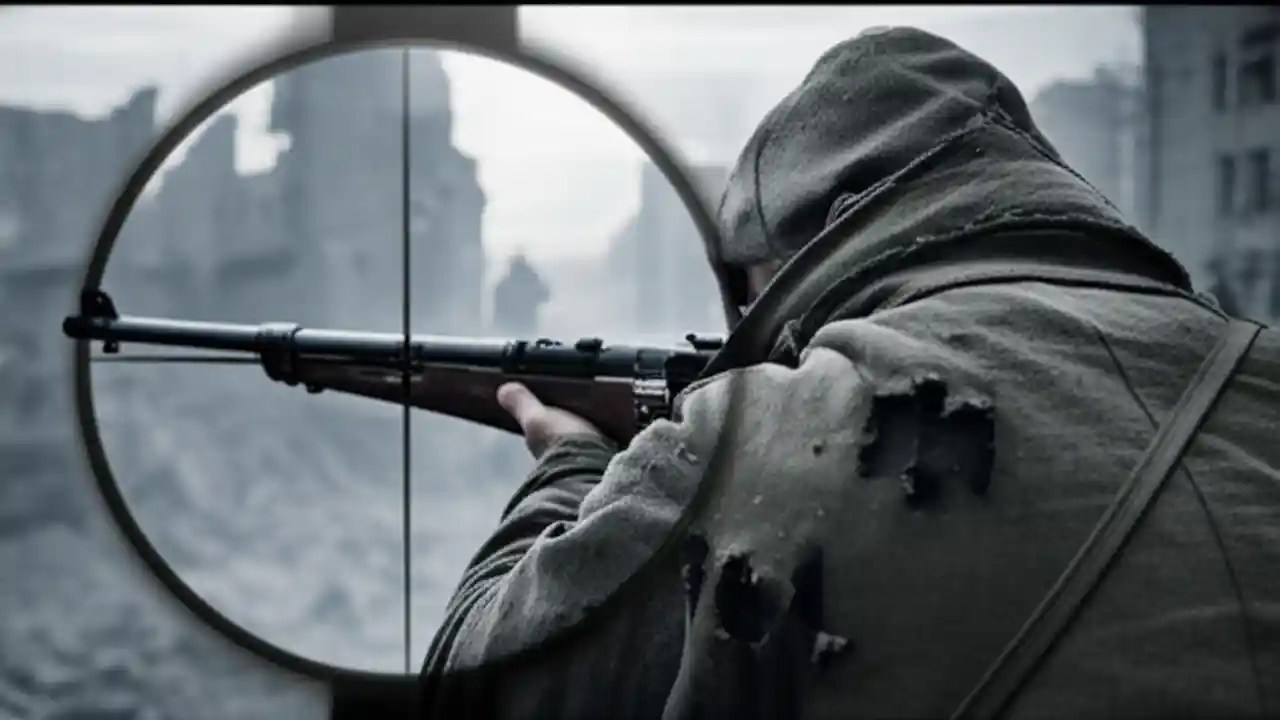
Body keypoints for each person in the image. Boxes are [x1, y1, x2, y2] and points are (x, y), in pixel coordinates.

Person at [418, 27, 1280, 719]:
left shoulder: (745, 440)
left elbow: (471, 685)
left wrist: (571, 470)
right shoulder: (1262, 371)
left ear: (798, 253)